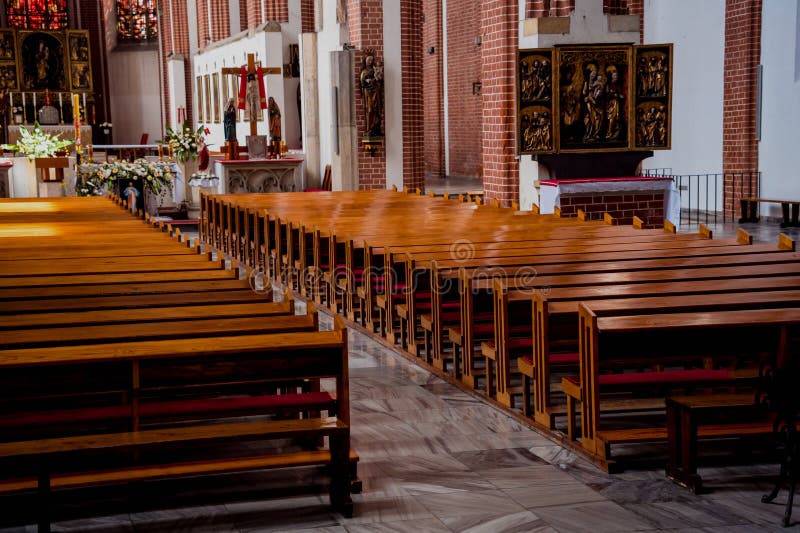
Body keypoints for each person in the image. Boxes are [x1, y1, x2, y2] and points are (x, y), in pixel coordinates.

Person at [360, 52, 383, 136]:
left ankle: (375, 127)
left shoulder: (374, 69)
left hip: (375, 92)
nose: (370, 61)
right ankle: (369, 128)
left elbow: (380, 81)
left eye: (371, 60)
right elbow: (362, 84)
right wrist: (367, 81)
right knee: (369, 110)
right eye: (368, 60)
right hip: (368, 93)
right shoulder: (364, 72)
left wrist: (378, 79)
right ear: (365, 60)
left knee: (376, 109)